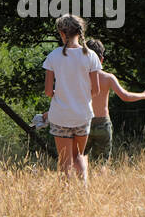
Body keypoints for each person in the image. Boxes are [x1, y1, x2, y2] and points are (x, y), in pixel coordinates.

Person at [43, 14, 102, 183]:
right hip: (83, 115)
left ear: (62, 33)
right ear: (79, 32)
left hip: (60, 115)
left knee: (64, 163)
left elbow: (48, 91)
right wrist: (79, 95)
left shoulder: (53, 56)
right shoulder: (91, 56)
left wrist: (61, 94)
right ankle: (83, 192)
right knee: (79, 157)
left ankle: (66, 197)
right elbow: (96, 90)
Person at [82, 37, 145, 163]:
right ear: (101, 59)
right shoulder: (108, 78)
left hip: (82, 122)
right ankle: (102, 182)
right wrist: (144, 95)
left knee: (79, 159)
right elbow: (125, 96)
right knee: (102, 162)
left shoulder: (79, 78)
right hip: (102, 123)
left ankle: (80, 182)